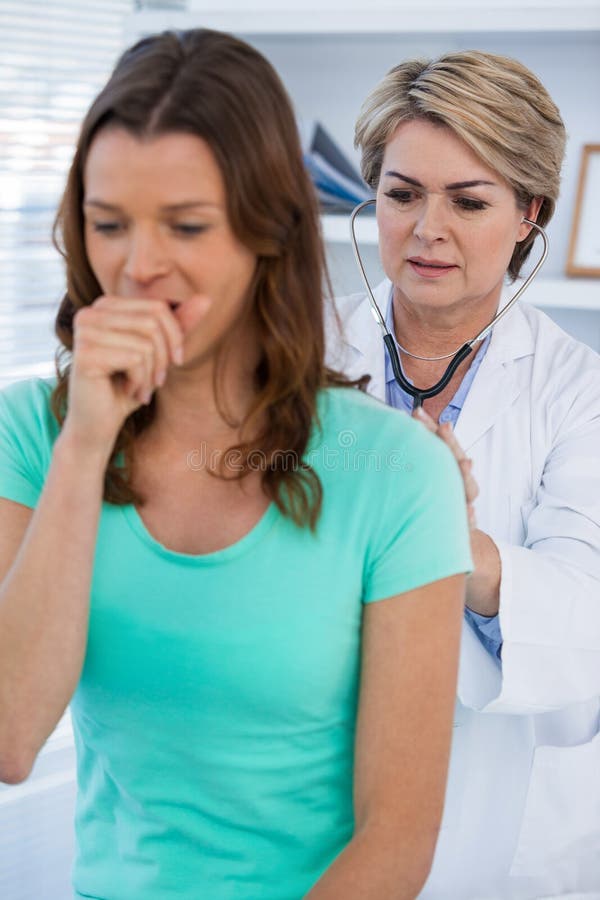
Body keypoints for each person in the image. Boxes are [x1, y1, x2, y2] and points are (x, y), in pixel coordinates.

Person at [0, 29, 473, 900]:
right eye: (108, 225)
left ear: (268, 230)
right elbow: (11, 736)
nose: (137, 268)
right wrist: (85, 444)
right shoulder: (35, 435)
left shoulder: (397, 473)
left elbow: (398, 840)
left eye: (185, 226)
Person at [326, 50, 600, 898]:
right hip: (306, 774)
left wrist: (452, 536)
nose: (426, 228)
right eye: (402, 194)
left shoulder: (577, 392)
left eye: (469, 201)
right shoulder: (294, 357)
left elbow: (586, 619)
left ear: (531, 213)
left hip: (494, 807)